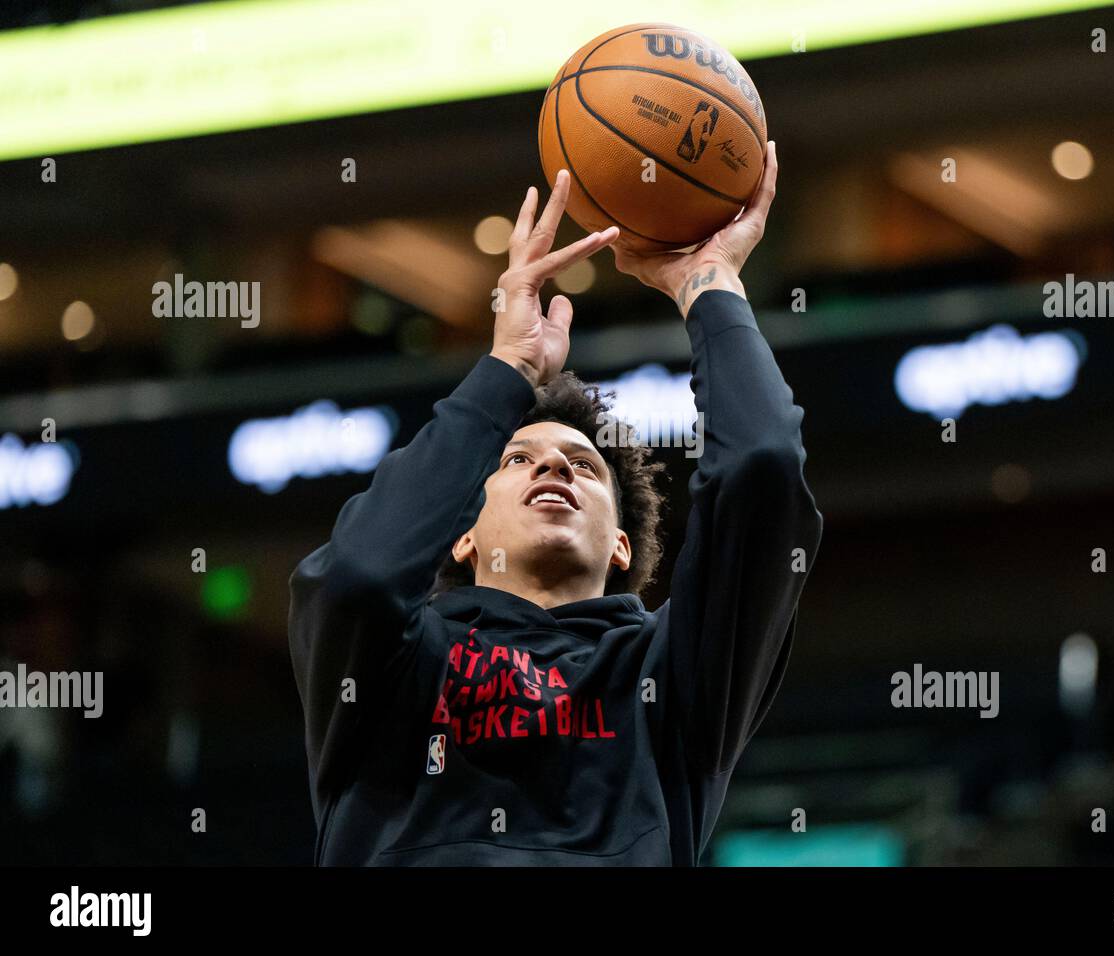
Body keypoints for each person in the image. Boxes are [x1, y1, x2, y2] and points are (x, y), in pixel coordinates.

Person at [289, 141, 822, 865]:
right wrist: (506, 369)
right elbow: (359, 574)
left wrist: (708, 282)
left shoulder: (670, 674)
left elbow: (762, 469)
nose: (553, 466)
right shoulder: (399, 666)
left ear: (621, 544)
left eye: (583, 465)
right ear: (462, 534)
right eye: (517, 459)